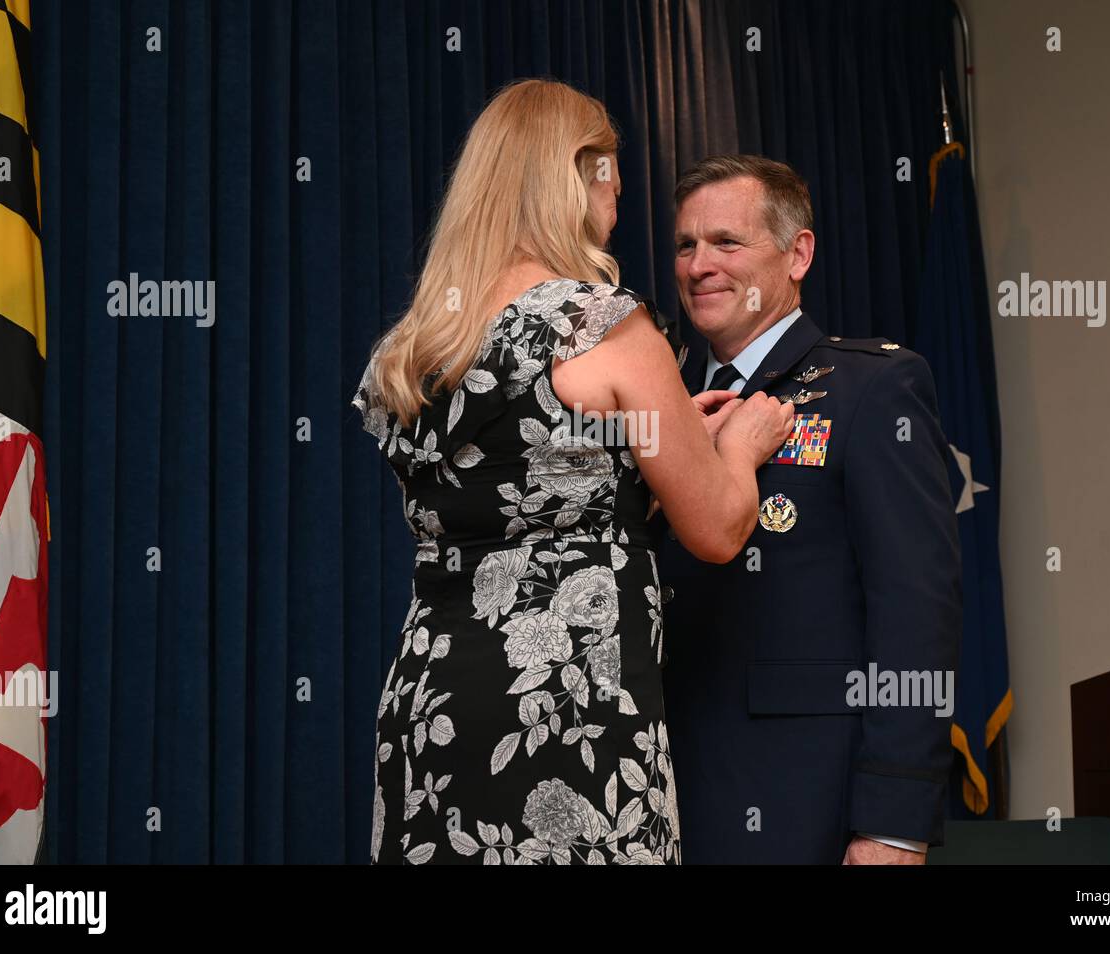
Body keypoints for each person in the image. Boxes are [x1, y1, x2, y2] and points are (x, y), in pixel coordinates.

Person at [352, 83, 794, 864]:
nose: (615, 211)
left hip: (434, 706)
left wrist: (661, 439)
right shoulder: (603, 325)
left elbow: (529, 474)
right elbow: (721, 527)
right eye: (613, 190)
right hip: (567, 707)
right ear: (579, 179)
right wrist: (740, 445)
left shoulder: (412, 350)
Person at [659, 154, 963, 864]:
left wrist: (894, 820)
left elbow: (917, 610)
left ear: (798, 254)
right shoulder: (660, 401)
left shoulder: (871, 389)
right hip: (661, 790)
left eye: (727, 242)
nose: (699, 264)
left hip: (805, 797)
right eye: (685, 244)